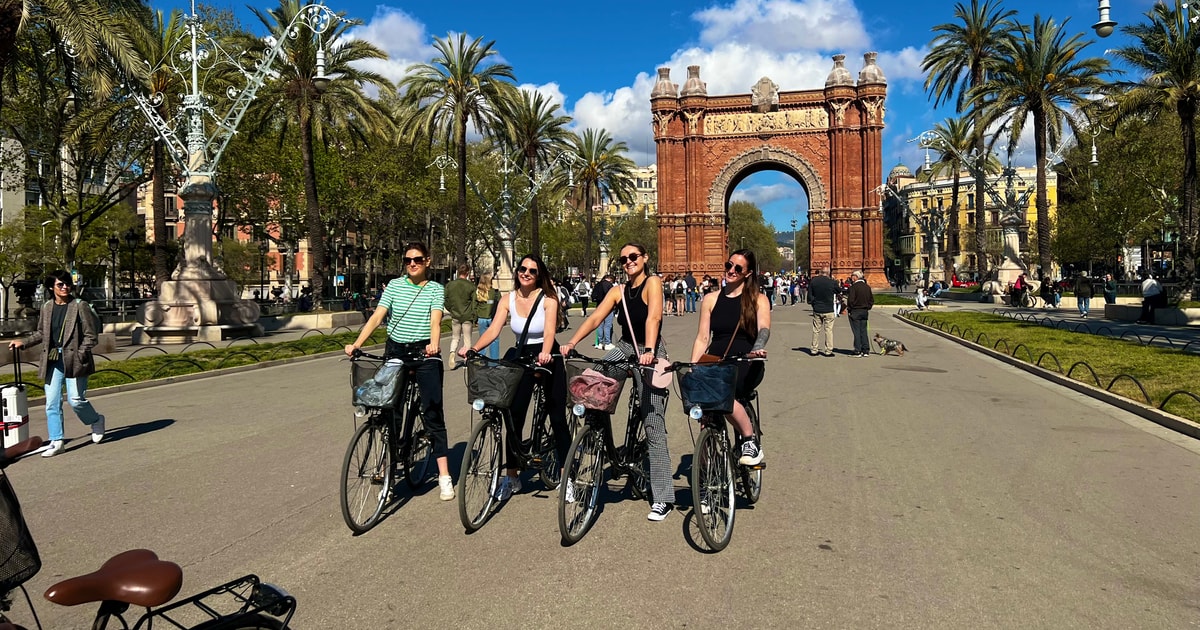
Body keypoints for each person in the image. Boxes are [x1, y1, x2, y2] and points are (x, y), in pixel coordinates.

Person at [561, 242, 674, 522]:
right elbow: (596, 318)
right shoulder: (617, 291)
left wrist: (649, 350)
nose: (628, 262)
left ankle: (663, 497)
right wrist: (572, 342)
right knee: (592, 382)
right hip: (624, 347)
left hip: (650, 349)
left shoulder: (652, 283)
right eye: (623, 259)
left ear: (644, 258)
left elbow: (654, 317)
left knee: (653, 423)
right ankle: (598, 434)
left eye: (633, 257)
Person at [345, 242, 455, 501]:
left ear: (427, 261)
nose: (412, 264)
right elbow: (377, 317)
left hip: (424, 352)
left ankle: (444, 476)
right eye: (408, 260)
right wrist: (357, 344)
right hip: (396, 351)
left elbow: (435, 320)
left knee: (432, 412)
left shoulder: (435, 289)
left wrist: (434, 344)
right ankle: (387, 473)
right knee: (389, 411)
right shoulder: (394, 286)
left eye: (417, 259)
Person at [460, 255, 570, 501]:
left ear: (539, 275)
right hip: (521, 354)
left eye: (532, 270)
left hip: (546, 354)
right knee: (513, 415)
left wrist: (545, 353)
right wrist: (473, 349)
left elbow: (549, 331)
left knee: (557, 415)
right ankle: (511, 477)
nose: (526, 273)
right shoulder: (507, 299)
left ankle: (566, 477)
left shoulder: (548, 299)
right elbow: (494, 329)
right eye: (523, 268)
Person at [10, 270, 105, 457]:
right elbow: (41, 333)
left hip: (75, 359)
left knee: (76, 400)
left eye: (67, 284)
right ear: (51, 287)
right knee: (52, 403)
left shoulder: (80, 306)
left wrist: (81, 352)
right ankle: (57, 441)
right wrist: (24, 342)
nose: (65, 287)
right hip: (53, 360)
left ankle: (96, 420)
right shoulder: (47, 307)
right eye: (60, 284)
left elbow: (91, 335)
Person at [689, 249, 770, 465]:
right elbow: (702, 337)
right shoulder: (710, 299)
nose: (731, 270)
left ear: (748, 273)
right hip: (716, 358)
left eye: (738, 268)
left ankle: (750, 440)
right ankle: (709, 462)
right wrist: (694, 365)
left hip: (745, 360)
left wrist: (758, 348)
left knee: (722, 393)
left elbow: (764, 329)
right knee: (702, 401)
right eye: (729, 265)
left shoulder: (758, 299)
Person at [443, 264, 475, 369]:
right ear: (467, 273)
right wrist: (474, 314)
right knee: (467, 339)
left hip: (455, 314)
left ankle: (452, 353)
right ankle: (466, 360)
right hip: (467, 315)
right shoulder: (471, 286)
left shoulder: (450, 285)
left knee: (455, 337)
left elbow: (445, 299)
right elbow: (474, 302)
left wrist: (451, 309)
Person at [807, 266, 838, 356]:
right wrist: (834, 281)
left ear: (821, 272)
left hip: (817, 308)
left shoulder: (814, 281)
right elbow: (838, 290)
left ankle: (814, 349)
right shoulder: (831, 282)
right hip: (828, 309)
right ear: (829, 273)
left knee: (816, 330)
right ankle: (828, 350)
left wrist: (812, 303)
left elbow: (810, 295)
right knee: (828, 330)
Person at [845, 270, 874, 357]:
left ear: (856, 277)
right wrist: (867, 307)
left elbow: (850, 300)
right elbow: (871, 300)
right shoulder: (867, 287)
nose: (851, 277)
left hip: (855, 311)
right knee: (863, 331)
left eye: (852, 276)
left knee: (856, 331)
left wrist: (850, 309)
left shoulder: (853, 287)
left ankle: (857, 350)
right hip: (864, 311)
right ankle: (865, 350)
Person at [474, 273, 500, 360]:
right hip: (493, 319)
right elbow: (500, 306)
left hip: (481, 319)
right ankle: (494, 360)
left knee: (482, 340)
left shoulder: (478, 292)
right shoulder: (495, 292)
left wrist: (475, 319)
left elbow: (474, 306)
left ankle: (482, 360)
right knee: (494, 340)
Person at [590, 274, 615, 349]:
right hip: (608, 307)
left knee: (600, 325)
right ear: (610, 279)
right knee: (607, 325)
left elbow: (593, 296)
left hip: (599, 306)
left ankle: (600, 343)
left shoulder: (597, 285)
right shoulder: (609, 285)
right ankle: (607, 342)